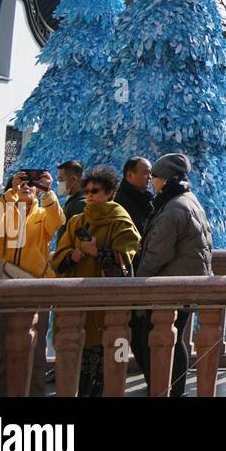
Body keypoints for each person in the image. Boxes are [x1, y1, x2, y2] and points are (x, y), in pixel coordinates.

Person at [51, 167, 141, 396]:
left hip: (105, 309)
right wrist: (73, 255)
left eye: (95, 191)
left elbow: (125, 259)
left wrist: (97, 252)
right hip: (77, 303)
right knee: (74, 372)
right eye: (87, 191)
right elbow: (58, 259)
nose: (89, 196)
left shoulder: (121, 222)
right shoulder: (76, 222)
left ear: (109, 192)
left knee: (103, 373)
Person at [131, 153, 214, 397]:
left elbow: (158, 253)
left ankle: (167, 390)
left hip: (171, 285)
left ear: (165, 180)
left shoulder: (173, 208)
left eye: (154, 177)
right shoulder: (186, 200)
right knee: (174, 340)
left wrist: (137, 284)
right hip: (186, 282)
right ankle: (172, 389)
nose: (151, 181)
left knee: (159, 339)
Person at [0, 167, 66, 396]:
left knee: (36, 346)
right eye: (22, 183)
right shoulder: (5, 209)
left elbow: (58, 221)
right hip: (4, 284)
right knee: (2, 344)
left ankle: (34, 391)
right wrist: (10, 192)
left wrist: (47, 191)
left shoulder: (43, 214)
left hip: (35, 285)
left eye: (31, 184)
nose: (26, 187)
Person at [115, 157, 155, 231]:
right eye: (146, 173)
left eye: (150, 173)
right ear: (130, 175)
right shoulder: (119, 201)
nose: (150, 177)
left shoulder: (148, 199)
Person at [56, 161, 86, 237]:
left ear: (73, 180)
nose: (59, 183)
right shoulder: (74, 200)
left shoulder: (80, 204)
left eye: (60, 180)